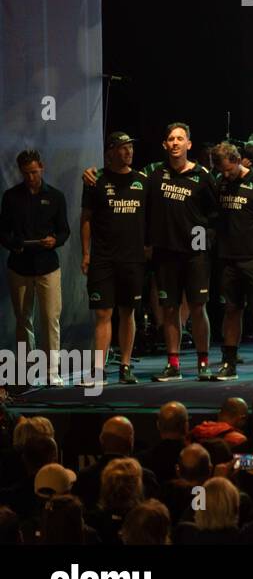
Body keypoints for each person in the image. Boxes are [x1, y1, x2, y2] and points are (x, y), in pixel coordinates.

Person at [143, 123, 219, 381]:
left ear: (189, 144)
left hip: (195, 254)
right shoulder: (154, 175)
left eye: (180, 139)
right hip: (165, 253)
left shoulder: (203, 176)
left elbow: (215, 214)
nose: (175, 143)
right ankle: (173, 364)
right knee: (169, 310)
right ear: (165, 145)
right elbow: (124, 177)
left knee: (198, 307)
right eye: (171, 139)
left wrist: (205, 239)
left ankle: (203, 362)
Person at [79, 132, 147, 384]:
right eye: (122, 147)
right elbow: (85, 219)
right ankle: (99, 370)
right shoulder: (95, 180)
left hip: (132, 259)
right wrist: (86, 253)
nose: (128, 151)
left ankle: (126, 366)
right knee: (103, 314)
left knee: (127, 312)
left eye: (130, 147)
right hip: (103, 259)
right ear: (110, 152)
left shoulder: (142, 180)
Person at [1, 149, 71, 384]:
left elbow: (64, 231)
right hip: (19, 266)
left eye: (33, 171)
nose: (30, 177)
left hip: (47, 266)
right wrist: (14, 244)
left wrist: (55, 241)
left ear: (41, 166)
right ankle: (28, 371)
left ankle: (52, 372)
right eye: (26, 173)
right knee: (23, 320)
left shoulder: (56, 196)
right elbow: (3, 231)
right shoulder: (11, 197)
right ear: (21, 172)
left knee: (51, 319)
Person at [211, 141, 253, 381]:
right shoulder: (219, 182)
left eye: (229, 169)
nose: (225, 174)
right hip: (227, 258)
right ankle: (229, 362)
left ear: (238, 160)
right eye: (221, 170)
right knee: (231, 311)